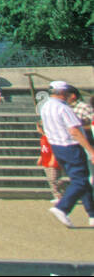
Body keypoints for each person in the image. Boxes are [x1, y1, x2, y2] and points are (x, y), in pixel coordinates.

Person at [40, 82, 94, 228]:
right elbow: (74, 131)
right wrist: (91, 150)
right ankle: (62, 208)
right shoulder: (63, 108)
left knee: (80, 180)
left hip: (57, 146)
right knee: (81, 181)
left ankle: (92, 214)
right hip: (70, 146)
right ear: (62, 92)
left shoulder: (46, 106)